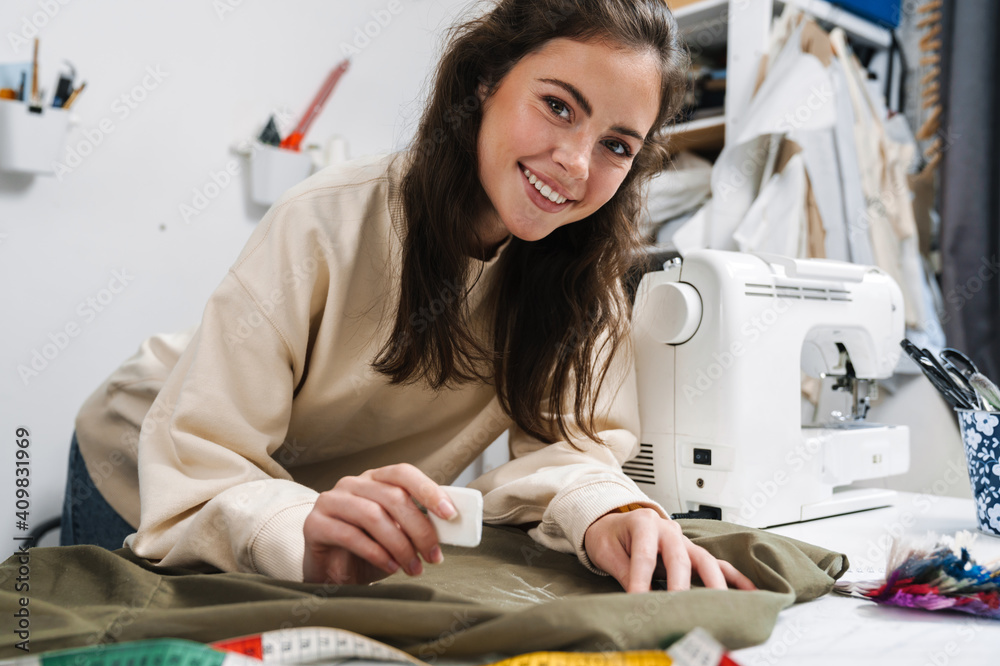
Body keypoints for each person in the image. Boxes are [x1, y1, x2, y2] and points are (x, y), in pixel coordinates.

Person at [63, 0, 755, 595]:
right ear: (486, 80)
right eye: (557, 106)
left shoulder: (583, 284)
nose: (576, 163)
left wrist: (608, 510)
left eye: (616, 144)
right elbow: (201, 454)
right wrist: (295, 520)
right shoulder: (324, 220)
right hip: (149, 463)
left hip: (310, 515)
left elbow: (568, 445)